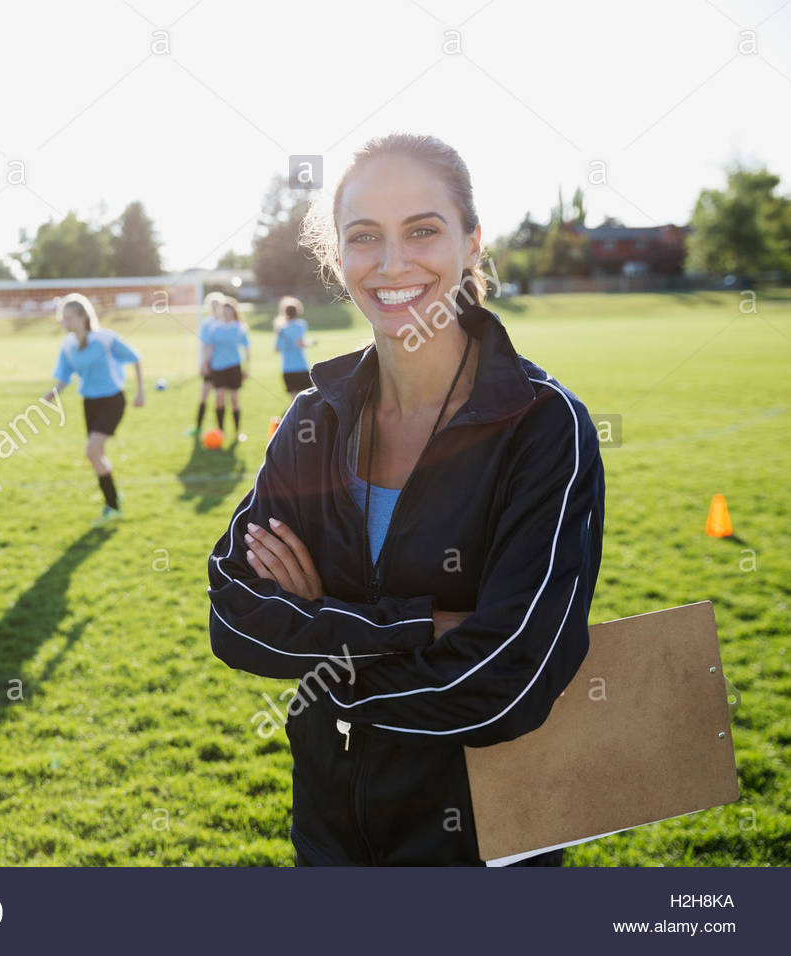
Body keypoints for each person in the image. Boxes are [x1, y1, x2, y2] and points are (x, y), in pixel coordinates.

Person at [206, 132, 606, 866]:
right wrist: (420, 625)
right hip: (331, 832)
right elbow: (234, 617)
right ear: (338, 259)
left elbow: (508, 681)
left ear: (472, 242)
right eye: (365, 237)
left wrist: (325, 652)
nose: (392, 263)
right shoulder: (314, 417)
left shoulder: (545, 426)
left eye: (422, 230)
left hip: (486, 847)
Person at [41, 293, 144, 526]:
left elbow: (135, 358)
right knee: (97, 454)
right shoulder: (67, 345)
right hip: (89, 402)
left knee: (91, 451)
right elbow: (65, 376)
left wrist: (140, 393)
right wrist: (52, 393)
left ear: (82, 316)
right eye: (62, 318)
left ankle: (113, 506)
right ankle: (113, 497)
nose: (64, 322)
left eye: (68, 317)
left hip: (112, 401)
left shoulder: (105, 339)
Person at [201, 297, 251, 442]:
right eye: (224, 310)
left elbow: (246, 349)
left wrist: (246, 368)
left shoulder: (240, 327)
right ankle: (220, 432)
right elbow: (209, 348)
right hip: (218, 367)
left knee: (234, 400)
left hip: (234, 367)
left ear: (233, 312)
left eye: (229, 310)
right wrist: (206, 364)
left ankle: (237, 433)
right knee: (219, 398)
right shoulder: (214, 328)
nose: (227, 313)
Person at [189, 291, 225, 436]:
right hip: (209, 365)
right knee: (204, 395)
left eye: (218, 305)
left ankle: (221, 430)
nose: (215, 307)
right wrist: (204, 365)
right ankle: (197, 427)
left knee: (220, 398)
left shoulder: (225, 323)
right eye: (213, 305)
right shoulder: (207, 324)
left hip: (222, 367)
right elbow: (205, 346)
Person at [273, 296, 316, 398]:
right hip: (301, 366)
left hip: (287, 368)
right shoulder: (301, 325)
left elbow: (277, 349)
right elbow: (299, 344)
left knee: (294, 401)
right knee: (308, 399)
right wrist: (311, 343)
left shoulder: (281, 328)